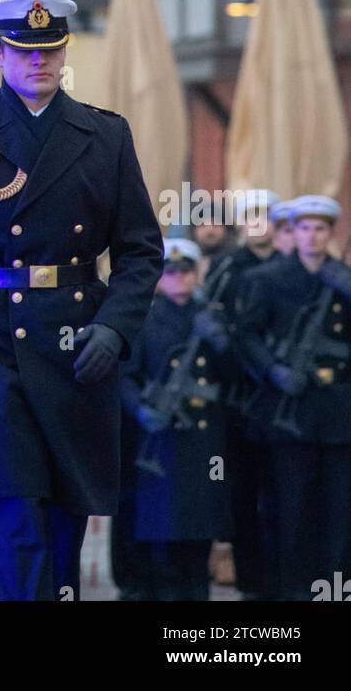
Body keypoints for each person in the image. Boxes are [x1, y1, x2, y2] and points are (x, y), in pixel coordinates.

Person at [0, 0, 164, 601]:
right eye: (22, 50)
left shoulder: (105, 134)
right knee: (14, 511)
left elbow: (140, 250)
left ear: (65, 51)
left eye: (49, 50)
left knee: (64, 518)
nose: (38, 62)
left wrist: (115, 327)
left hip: (78, 343)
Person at [240, 195, 351, 600]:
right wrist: (272, 370)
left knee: (340, 512)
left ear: (330, 233)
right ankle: (294, 592)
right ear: (293, 231)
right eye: (304, 227)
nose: (312, 235)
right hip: (290, 412)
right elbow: (246, 335)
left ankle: (336, 590)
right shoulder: (268, 279)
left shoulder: (342, 280)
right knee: (294, 510)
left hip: (338, 409)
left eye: (320, 228)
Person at [121, 237, 232, 601]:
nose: (179, 278)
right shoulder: (144, 320)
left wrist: (221, 342)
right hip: (160, 442)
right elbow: (125, 376)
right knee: (162, 539)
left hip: (203, 443)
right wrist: (140, 408)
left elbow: (236, 378)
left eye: (186, 271)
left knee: (198, 539)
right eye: (170, 271)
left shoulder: (211, 319)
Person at [203, 189, 278, 600]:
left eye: (265, 215)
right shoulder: (227, 267)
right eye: (250, 216)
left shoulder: (289, 265)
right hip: (236, 398)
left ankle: (280, 577)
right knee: (241, 494)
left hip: (281, 400)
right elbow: (210, 322)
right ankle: (249, 579)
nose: (258, 224)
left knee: (282, 493)